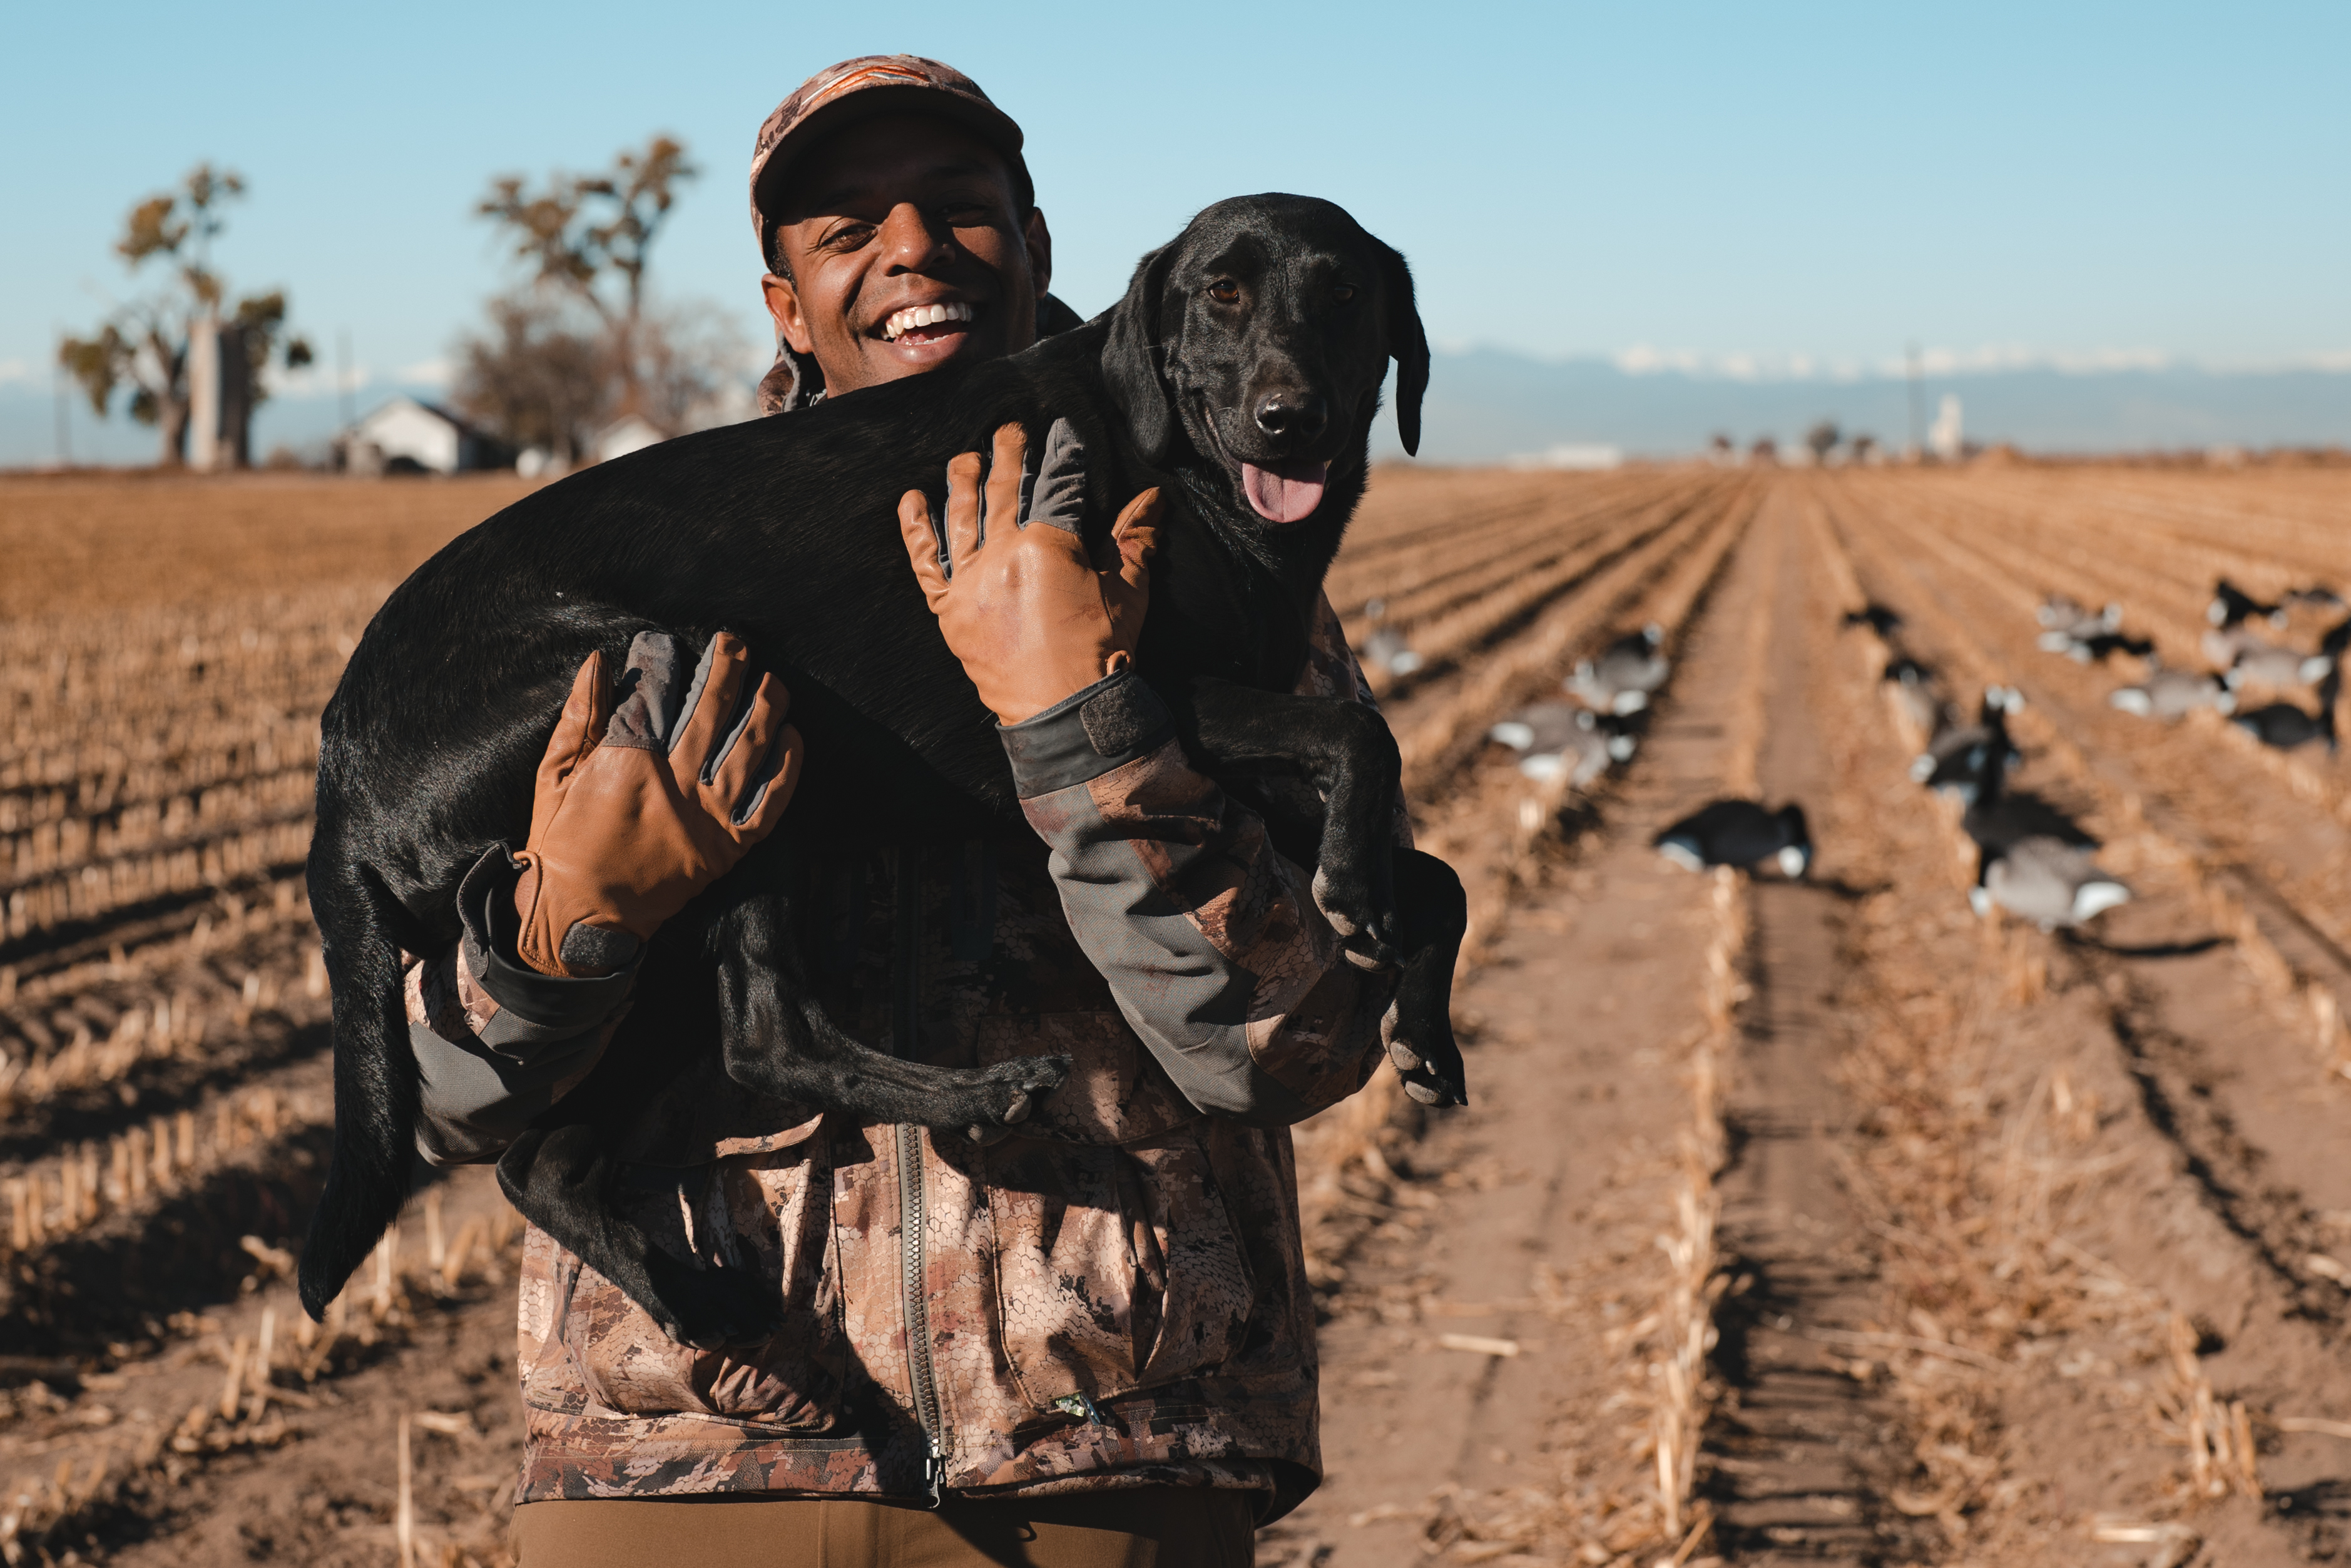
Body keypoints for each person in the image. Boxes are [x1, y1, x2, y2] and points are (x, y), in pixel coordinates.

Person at [397, 55, 1424, 1567]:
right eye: (840, 228)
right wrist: (567, 921)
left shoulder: (1208, 577)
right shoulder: (615, 587)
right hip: (682, 1470)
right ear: (782, 302)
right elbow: (427, 1092)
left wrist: (1088, 731)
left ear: (1044, 250)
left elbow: (1298, 1041)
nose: (910, 251)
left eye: (959, 208)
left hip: (1108, 1453)